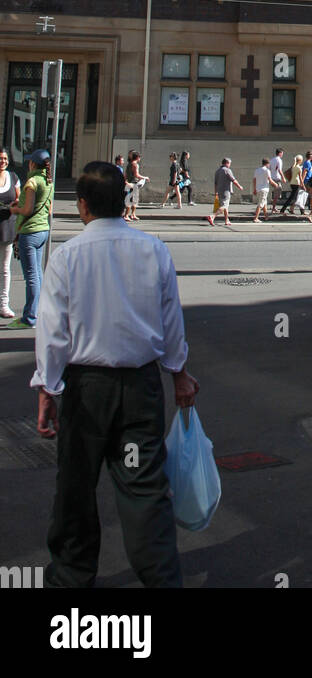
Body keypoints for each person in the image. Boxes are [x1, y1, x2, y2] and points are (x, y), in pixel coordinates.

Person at [31, 160, 198, 588]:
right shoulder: (153, 250)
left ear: (82, 205)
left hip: (87, 392)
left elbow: (53, 331)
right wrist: (178, 373)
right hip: (140, 389)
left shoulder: (66, 257)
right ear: (125, 201)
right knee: (143, 490)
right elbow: (170, 321)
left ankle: (70, 578)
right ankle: (162, 579)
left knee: (76, 488)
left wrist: (48, 389)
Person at [2, 149, 54, 330]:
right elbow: (47, 209)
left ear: (33, 164)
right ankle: (36, 312)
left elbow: (27, 210)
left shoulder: (32, 182)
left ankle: (29, 317)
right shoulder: (48, 181)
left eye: (29, 162)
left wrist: (13, 209)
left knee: (31, 276)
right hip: (43, 230)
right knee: (38, 274)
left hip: (29, 232)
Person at [0, 148, 21, 320]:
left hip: (7, 228)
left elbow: (19, 200)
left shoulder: (13, 177)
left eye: (5, 159)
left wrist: (16, 205)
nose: (3, 162)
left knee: (5, 269)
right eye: (0, 159)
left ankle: (4, 304)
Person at [210, 157, 242, 229]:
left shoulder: (217, 171)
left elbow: (215, 183)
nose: (230, 165)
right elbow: (233, 180)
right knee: (224, 206)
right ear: (227, 163)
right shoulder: (227, 170)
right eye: (230, 163)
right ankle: (212, 216)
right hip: (226, 191)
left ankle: (226, 220)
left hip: (219, 191)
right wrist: (239, 186)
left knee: (225, 206)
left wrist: (216, 192)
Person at [252, 157, 279, 223]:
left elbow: (254, 180)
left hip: (258, 189)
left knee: (264, 203)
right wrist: (275, 184)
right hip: (264, 189)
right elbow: (270, 180)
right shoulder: (267, 171)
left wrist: (254, 189)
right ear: (267, 163)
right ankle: (256, 218)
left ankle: (266, 217)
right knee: (261, 204)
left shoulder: (257, 170)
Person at [124, 151, 146, 222]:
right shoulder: (135, 165)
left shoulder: (129, 164)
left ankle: (132, 215)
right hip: (134, 183)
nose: (140, 158)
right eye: (139, 157)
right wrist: (145, 177)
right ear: (137, 157)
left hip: (130, 183)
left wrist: (125, 181)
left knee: (133, 199)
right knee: (132, 199)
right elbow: (137, 175)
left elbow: (125, 174)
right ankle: (127, 215)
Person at [268, 149, 285, 215]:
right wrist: (283, 177)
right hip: (277, 178)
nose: (282, 154)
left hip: (272, 178)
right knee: (277, 194)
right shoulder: (279, 160)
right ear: (280, 153)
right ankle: (273, 208)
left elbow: (269, 169)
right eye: (282, 153)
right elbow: (279, 170)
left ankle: (273, 207)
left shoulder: (272, 160)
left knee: (276, 194)